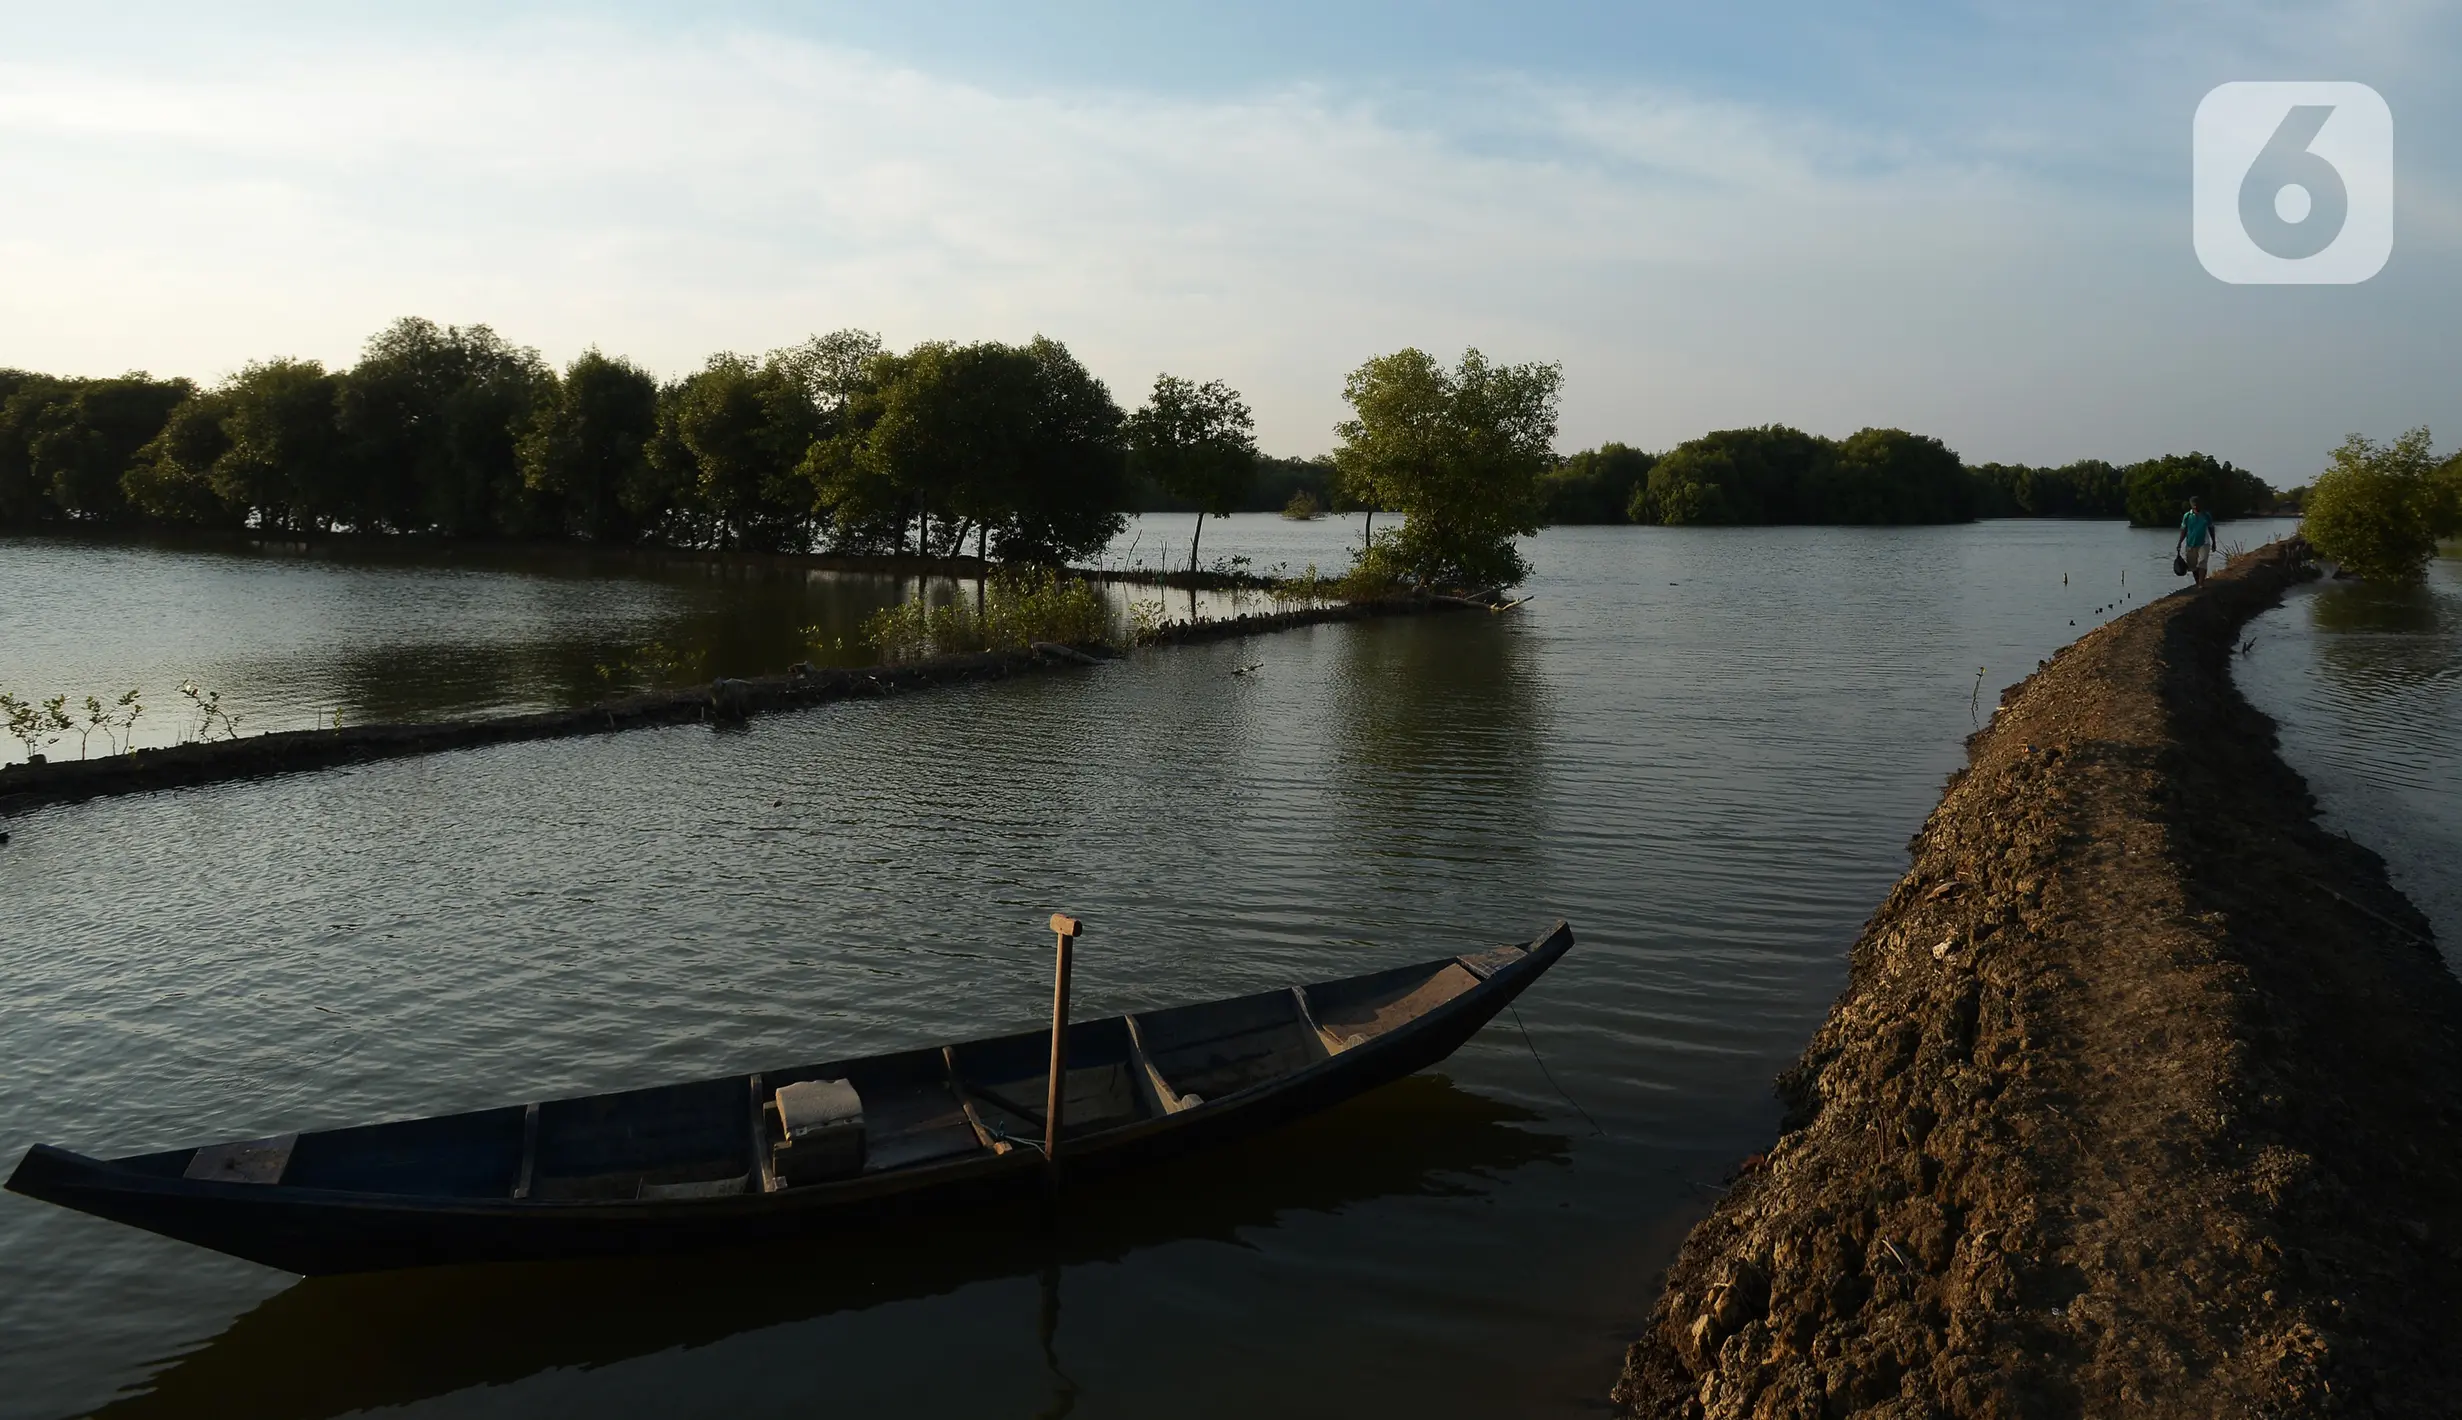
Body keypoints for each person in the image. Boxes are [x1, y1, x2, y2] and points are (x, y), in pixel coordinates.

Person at [2177, 496, 2216, 587]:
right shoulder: (2187, 516)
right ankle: (2198, 582)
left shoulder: (2206, 515)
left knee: (2202, 562)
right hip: (2191, 543)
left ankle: (2201, 583)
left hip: (2204, 543)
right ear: (2191, 505)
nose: (2196, 507)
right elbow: (2184, 530)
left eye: (2197, 504)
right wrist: (2179, 542)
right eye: (2194, 505)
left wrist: (2214, 542)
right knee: (2192, 566)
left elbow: (2211, 528)